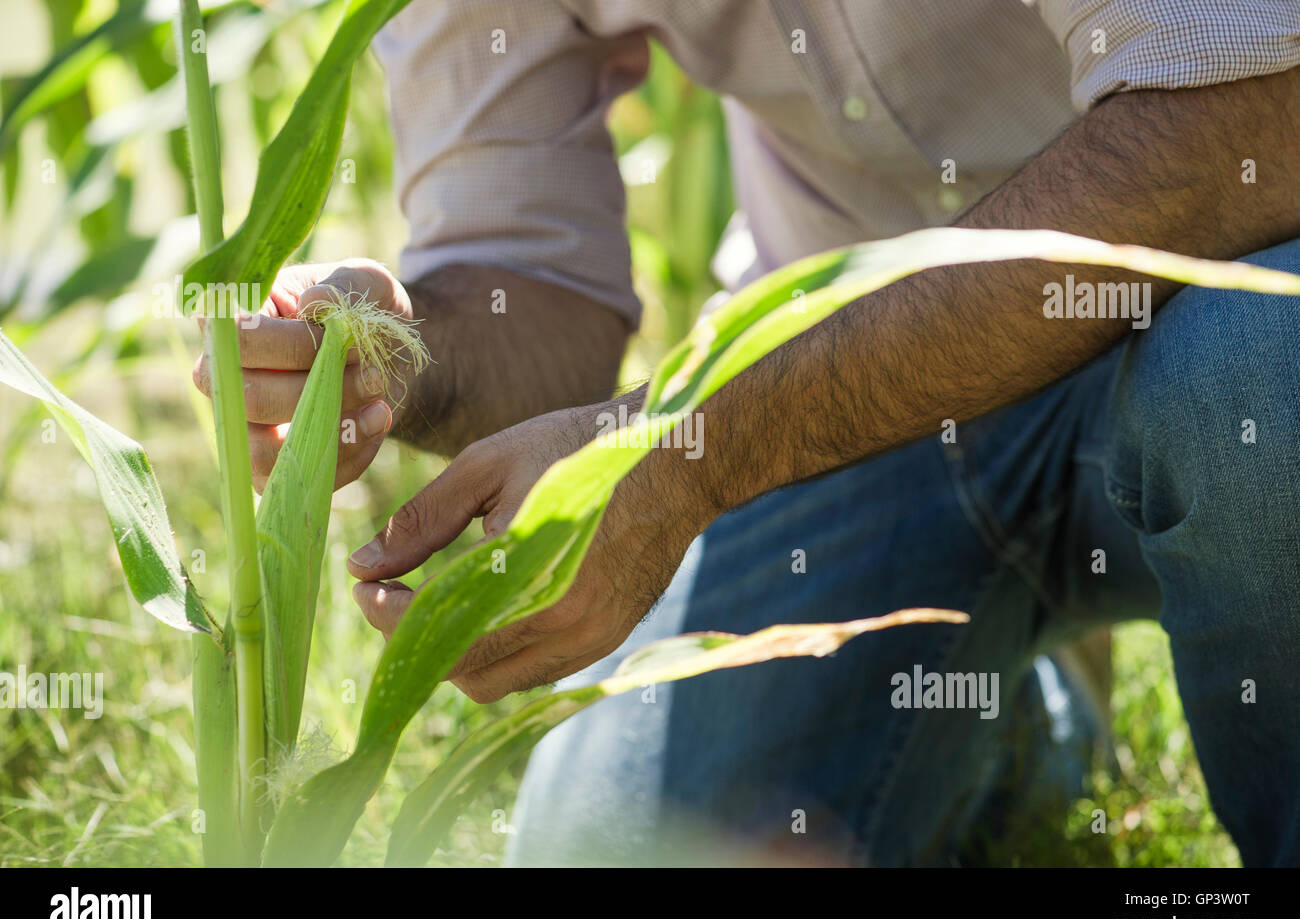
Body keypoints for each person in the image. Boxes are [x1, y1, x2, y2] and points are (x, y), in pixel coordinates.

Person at [193, 0, 1300, 865]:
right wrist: (402, 342)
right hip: (848, 412)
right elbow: (540, 304)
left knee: (1258, 385)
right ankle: (1002, 725)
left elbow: (1241, 122)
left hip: (1209, 300)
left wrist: (696, 446)